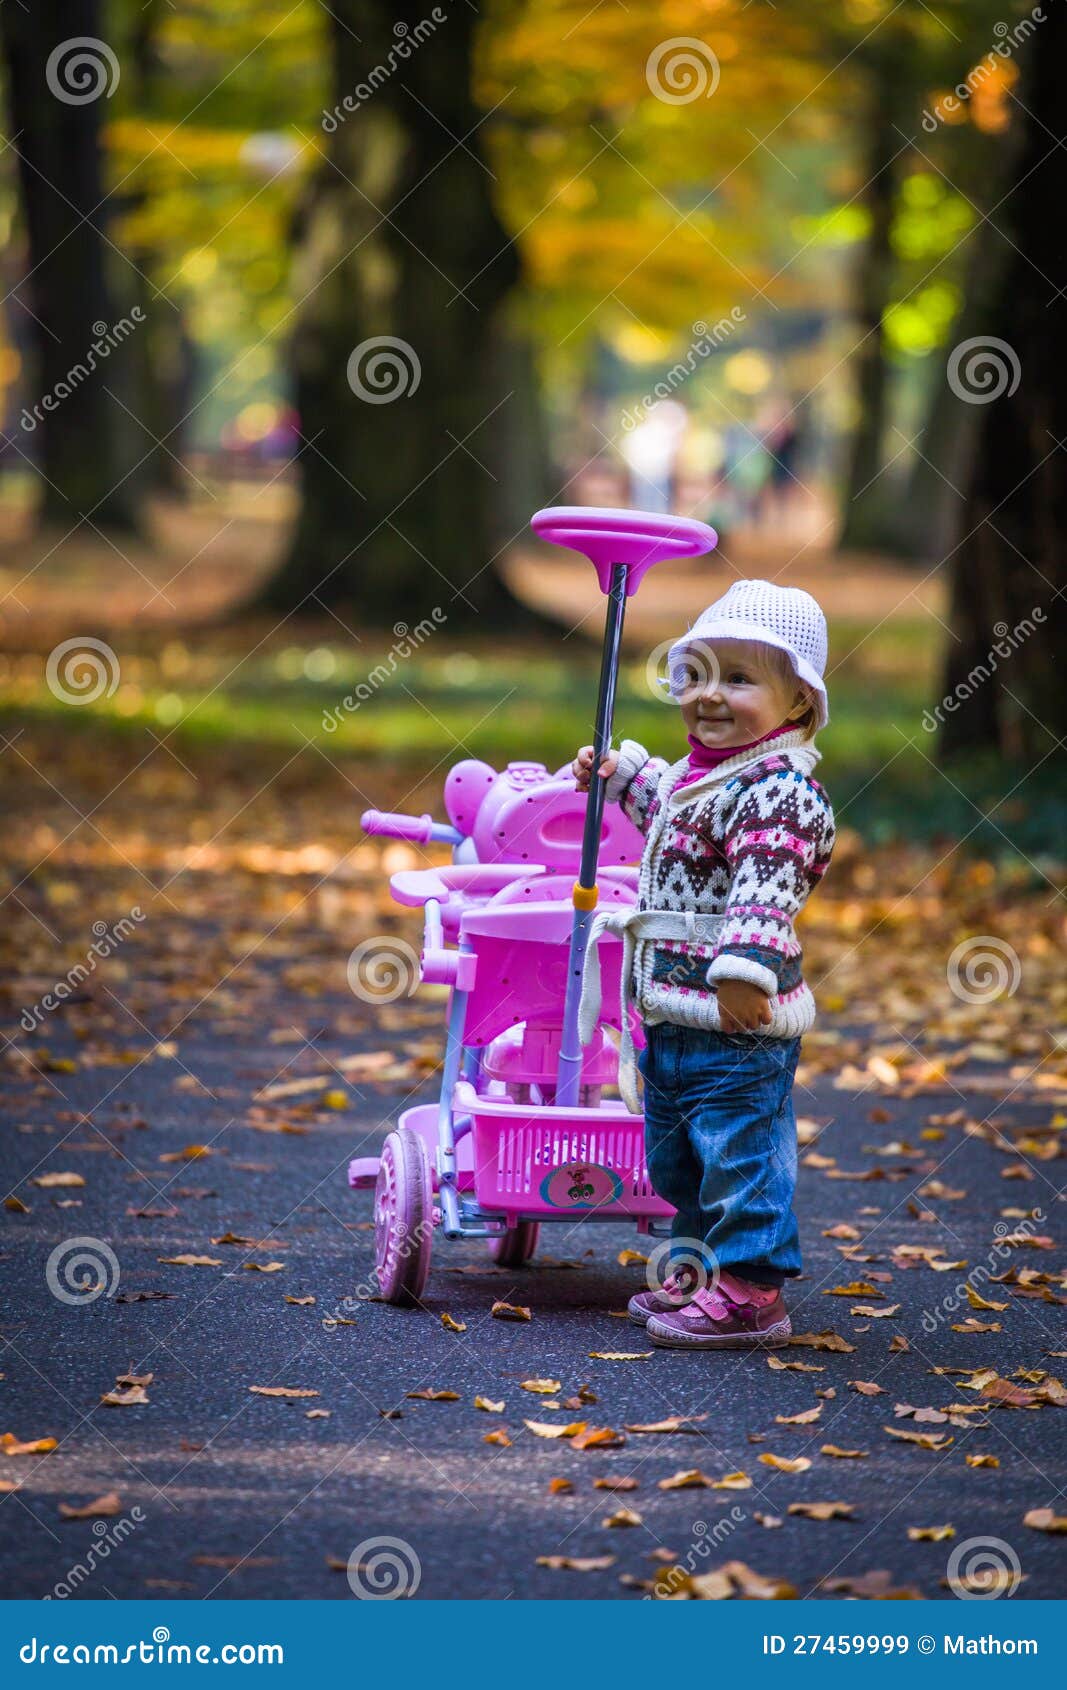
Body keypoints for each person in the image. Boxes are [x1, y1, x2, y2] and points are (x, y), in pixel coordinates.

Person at [571, 580, 835, 1350]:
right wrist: (621, 778)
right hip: (672, 1014)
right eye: (697, 674)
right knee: (680, 1159)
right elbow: (670, 816)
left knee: (738, 1155)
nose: (710, 695)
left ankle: (751, 1290)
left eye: (739, 678)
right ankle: (702, 1269)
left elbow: (765, 884)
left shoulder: (780, 791)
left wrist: (744, 968)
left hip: (733, 1019)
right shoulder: (702, 777)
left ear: (797, 702)